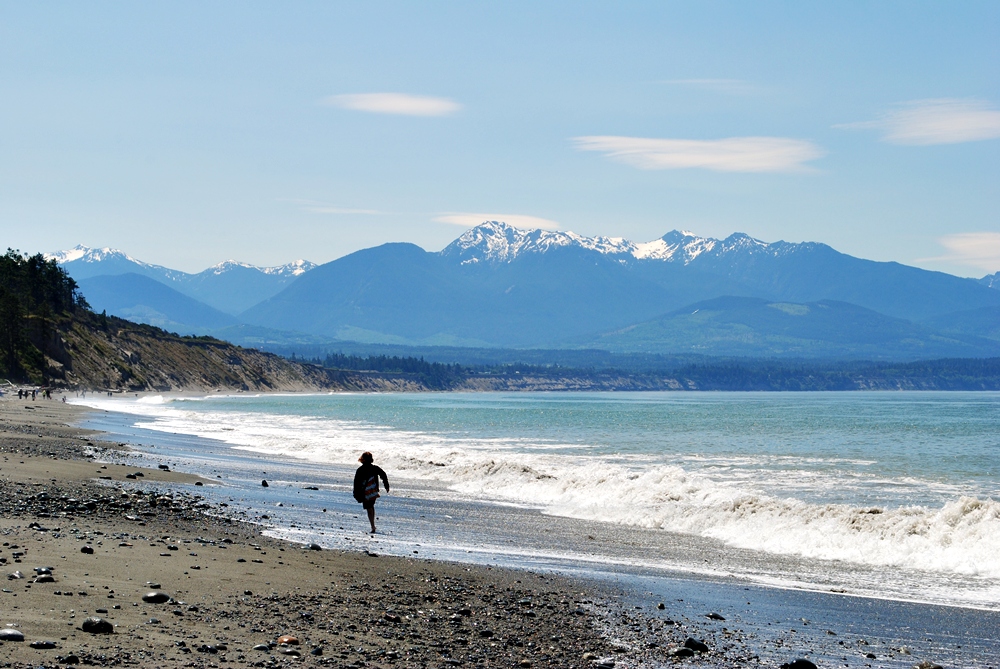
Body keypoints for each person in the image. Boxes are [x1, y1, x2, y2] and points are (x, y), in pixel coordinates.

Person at [353, 451, 390, 533]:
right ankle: (373, 525)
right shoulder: (374, 468)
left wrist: (355, 493)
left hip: (365, 493)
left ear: (362, 459)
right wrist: (386, 485)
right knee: (371, 507)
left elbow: (356, 483)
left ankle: (373, 526)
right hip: (373, 492)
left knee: (369, 508)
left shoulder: (360, 470)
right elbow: (383, 475)